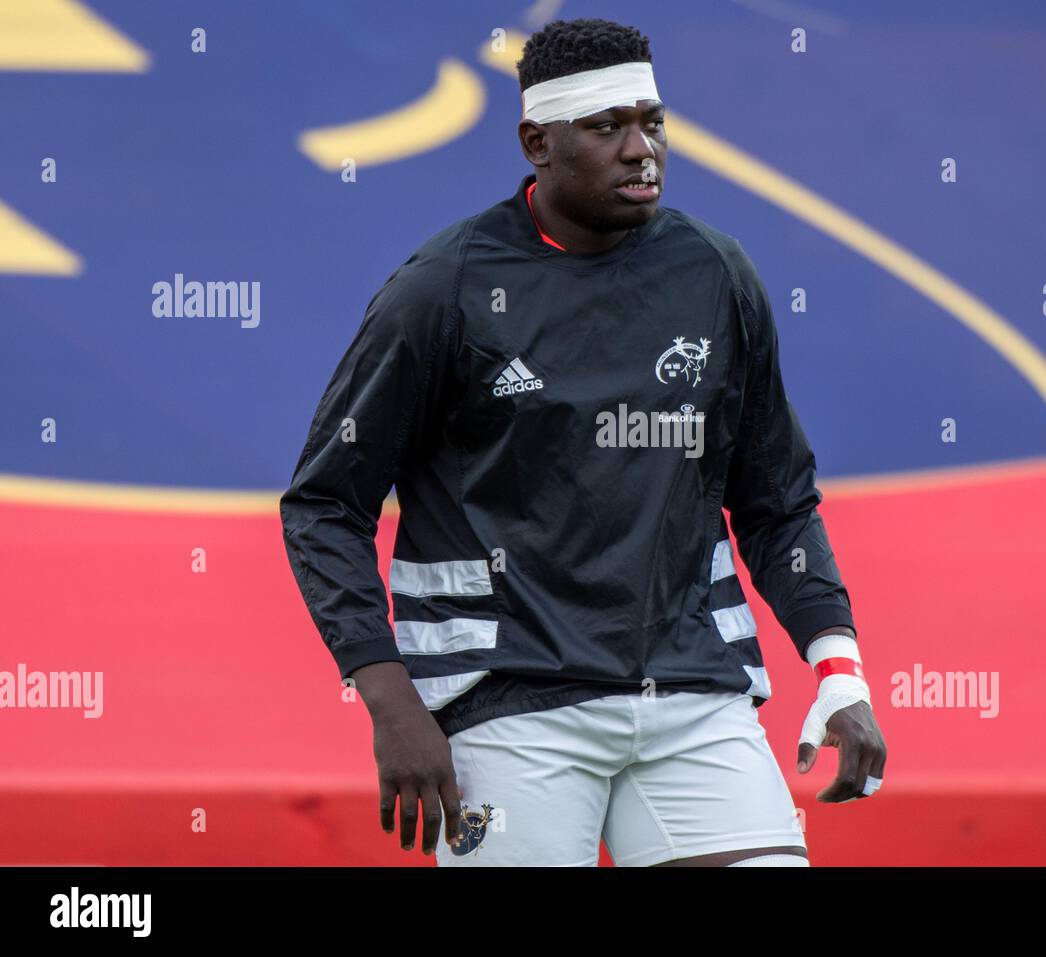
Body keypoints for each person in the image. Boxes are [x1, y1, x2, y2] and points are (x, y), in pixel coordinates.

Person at [279, 17, 886, 867]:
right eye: (607, 127)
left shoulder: (714, 274)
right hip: (508, 701)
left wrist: (838, 666)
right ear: (538, 142)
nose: (642, 150)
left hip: (692, 689)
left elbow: (777, 499)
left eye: (653, 122)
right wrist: (390, 697)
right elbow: (323, 504)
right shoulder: (443, 289)